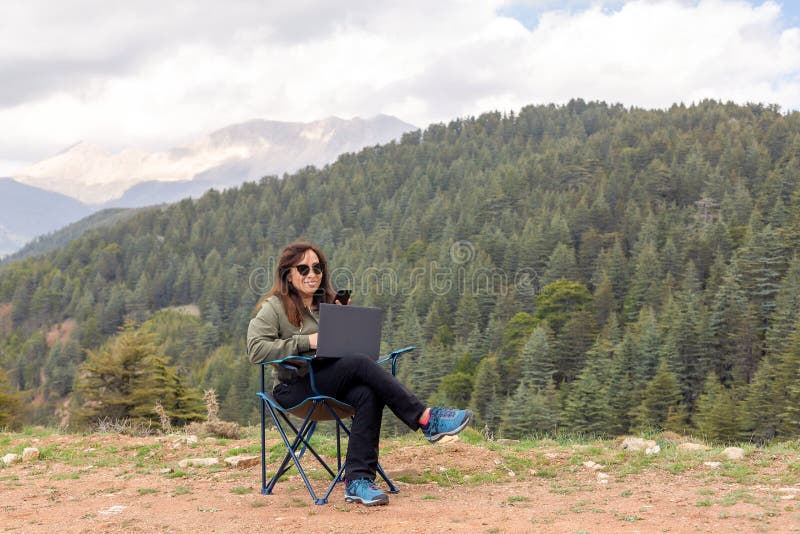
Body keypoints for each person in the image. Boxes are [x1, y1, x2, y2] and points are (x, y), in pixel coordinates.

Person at [247, 242, 472, 506]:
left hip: (330, 379)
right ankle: (425, 418)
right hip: (295, 386)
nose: (312, 273)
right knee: (360, 364)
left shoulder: (327, 304)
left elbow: (343, 348)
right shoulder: (274, 307)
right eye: (303, 268)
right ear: (288, 274)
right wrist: (307, 342)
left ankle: (358, 481)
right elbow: (255, 350)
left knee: (368, 392)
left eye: (317, 267)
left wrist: (344, 322)